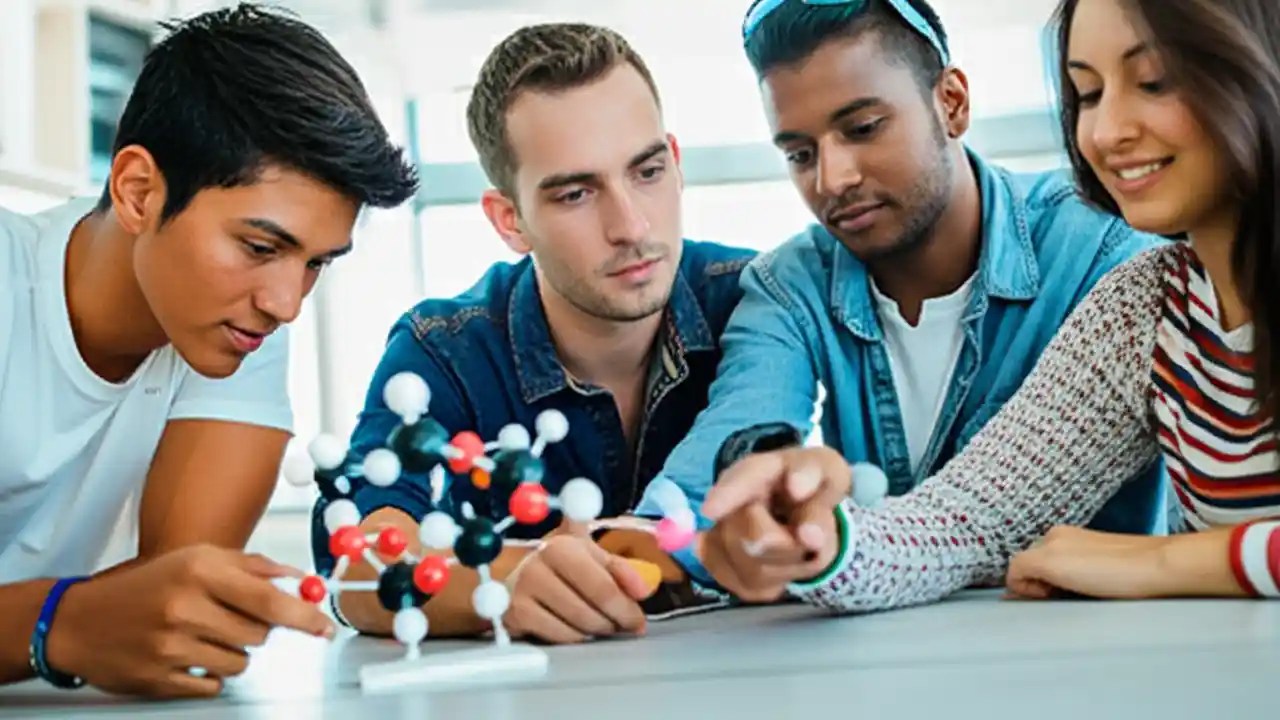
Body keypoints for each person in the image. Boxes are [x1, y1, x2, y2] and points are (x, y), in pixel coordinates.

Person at [695, 0, 1280, 609]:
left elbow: (1163, 564)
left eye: (1155, 82)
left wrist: (1165, 561)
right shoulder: (1147, 311)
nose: (1107, 132)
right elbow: (966, 523)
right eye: (1088, 94)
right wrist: (818, 537)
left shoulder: (1091, 250)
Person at [0, 4, 418, 698]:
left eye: (317, 263)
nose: (286, 304)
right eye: (261, 247)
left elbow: (175, 616)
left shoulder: (233, 330)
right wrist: (56, 623)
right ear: (138, 191)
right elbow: (101, 624)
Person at [316, 23, 755, 644]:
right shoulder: (443, 351)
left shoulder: (757, 301)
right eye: (576, 194)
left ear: (676, 165)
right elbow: (358, 563)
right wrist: (503, 582)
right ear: (509, 220)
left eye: (647, 171)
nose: (630, 225)